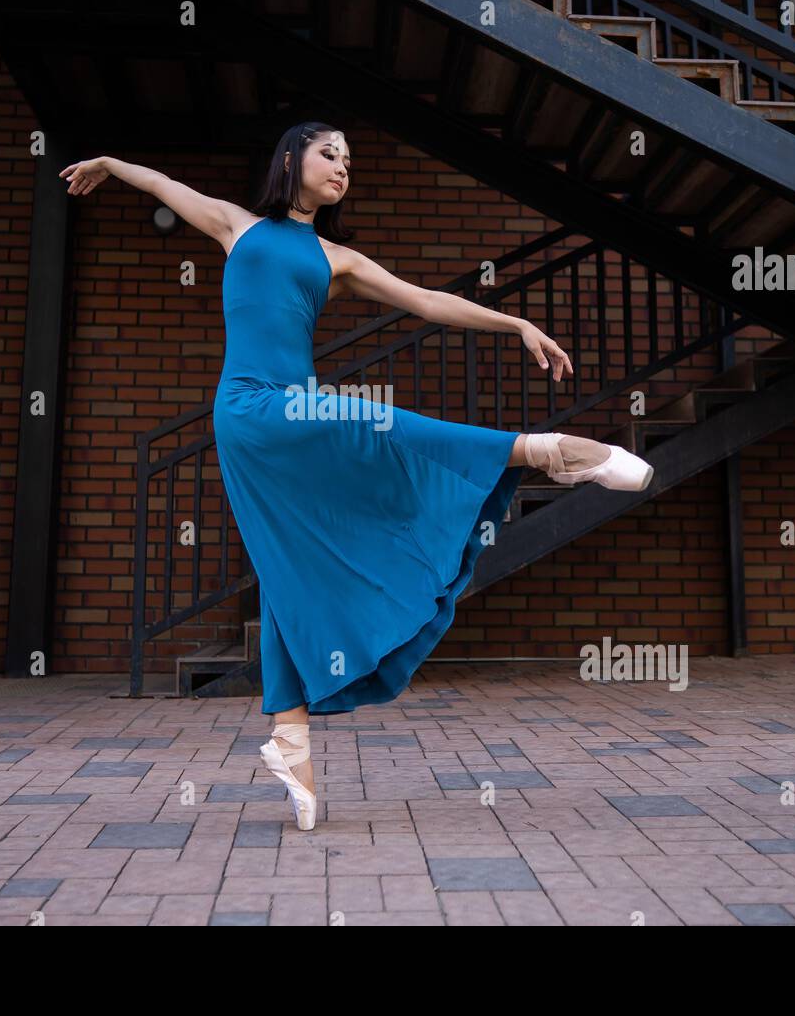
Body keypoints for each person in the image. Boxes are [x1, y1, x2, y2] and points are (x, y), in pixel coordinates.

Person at [60, 123, 652, 831]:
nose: (342, 168)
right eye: (329, 154)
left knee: (285, 568)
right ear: (292, 160)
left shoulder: (335, 256)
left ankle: (291, 740)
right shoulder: (237, 227)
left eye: (349, 160)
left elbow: (428, 301)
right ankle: (544, 451)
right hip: (254, 407)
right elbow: (162, 183)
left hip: (288, 407)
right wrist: (109, 159)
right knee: (372, 420)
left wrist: (514, 322)